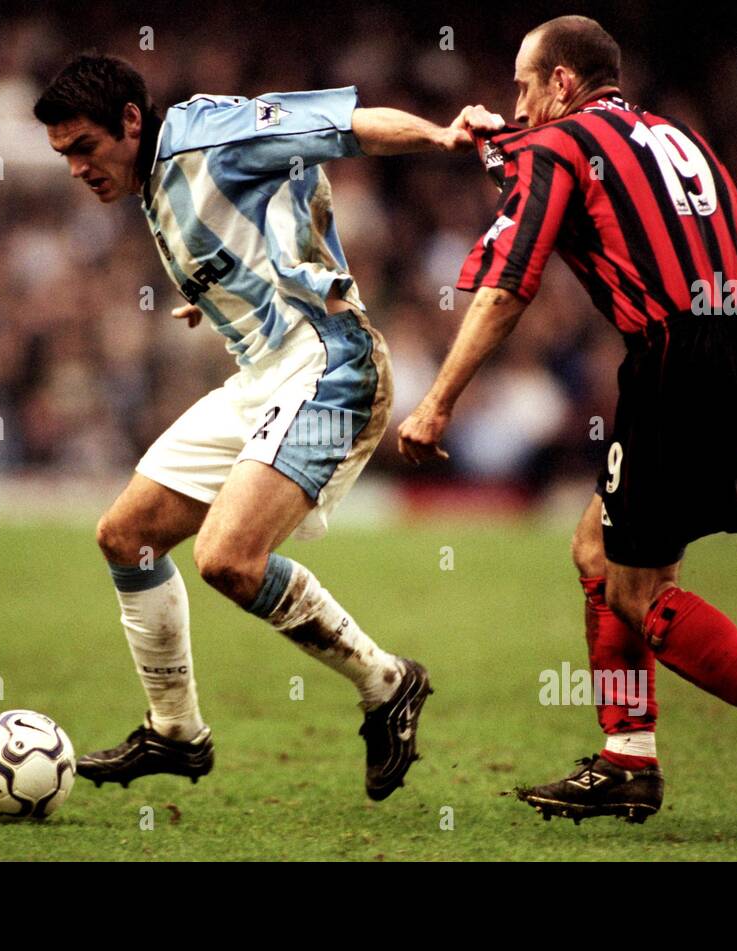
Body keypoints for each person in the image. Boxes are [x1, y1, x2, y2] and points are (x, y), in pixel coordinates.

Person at [398, 16, 737, 823]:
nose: (517, 100)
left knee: (638, 592)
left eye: (523, 84)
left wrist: (437, 402)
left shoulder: (560, 145)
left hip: (675, 364)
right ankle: (628, 759)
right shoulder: (681, 140)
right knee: (598, 550)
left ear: (562, 84)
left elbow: (509, 284)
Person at [35, 53, 479, 800]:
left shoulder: (211, 131)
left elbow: (340, 127)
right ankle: (176, 732)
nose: (77, 168)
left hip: (330, 366)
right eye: (64, 156)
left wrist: (439, 137)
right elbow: (255, 239)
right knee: (125, 536)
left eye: (85, 147)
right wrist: (216, 297)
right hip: (263, 377)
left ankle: (388, 681)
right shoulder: (153, 188)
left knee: (229, 559)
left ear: (132, 122)